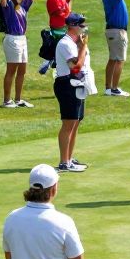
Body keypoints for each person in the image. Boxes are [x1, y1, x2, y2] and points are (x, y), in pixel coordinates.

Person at [54, 14, 92, 173]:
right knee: (69, 123)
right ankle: (64, 163)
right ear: (73, 26)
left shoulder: (74, 42)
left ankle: (69, 157)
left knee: (75, 122)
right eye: (81, 25)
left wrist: (81, 46)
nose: (84, 28)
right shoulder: (65, 44)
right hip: (67, 84)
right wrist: (83, 47)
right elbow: (75, 67)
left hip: (77, 84)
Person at [0, 0, 40, 108]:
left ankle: (18, 99)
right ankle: (6, 101)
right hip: (12, 39)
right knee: (11, 71)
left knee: (22, 70)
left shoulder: (22, 6)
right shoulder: (8, 6)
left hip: (22, 40)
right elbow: (3, 0)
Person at [102, 0, 130, 97]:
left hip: (113, 31)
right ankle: (114, 88)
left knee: (113, 59)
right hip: (117, 31)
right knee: (120, 60)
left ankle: (109, 87)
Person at [39, 0, 78, 76]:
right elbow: (62, 14)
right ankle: (50, 61)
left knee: (64, 51)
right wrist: (71, 18)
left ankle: (52, 62)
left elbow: (66, 4)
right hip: (58, 30)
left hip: (62, 29)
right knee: (65, 51)